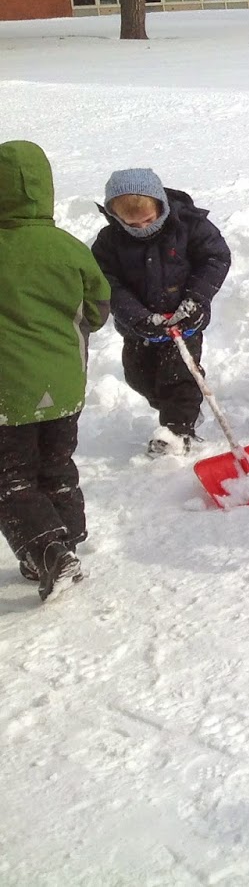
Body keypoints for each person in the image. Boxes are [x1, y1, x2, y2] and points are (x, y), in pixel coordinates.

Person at [0, 141, 111, 601]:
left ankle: (49, 551)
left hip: (8, 392)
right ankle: (67, 539)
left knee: (12, 479)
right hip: (64, 385)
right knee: (56, 464)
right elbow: (97, 310)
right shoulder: (69, 248)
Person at [90, 168, 231, 457]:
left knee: (180, 375)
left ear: (161, 206)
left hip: (184, 318)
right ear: (115, 216)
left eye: (149, 220)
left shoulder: (188, 225)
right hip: (141, 326)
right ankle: (180, 410)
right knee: (138, 377)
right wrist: (137, 317)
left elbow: (215, 258)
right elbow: (107, 283)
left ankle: (177, 429)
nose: (142, 228)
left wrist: (195, 301)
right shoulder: (109, 242)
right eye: (132, 224)